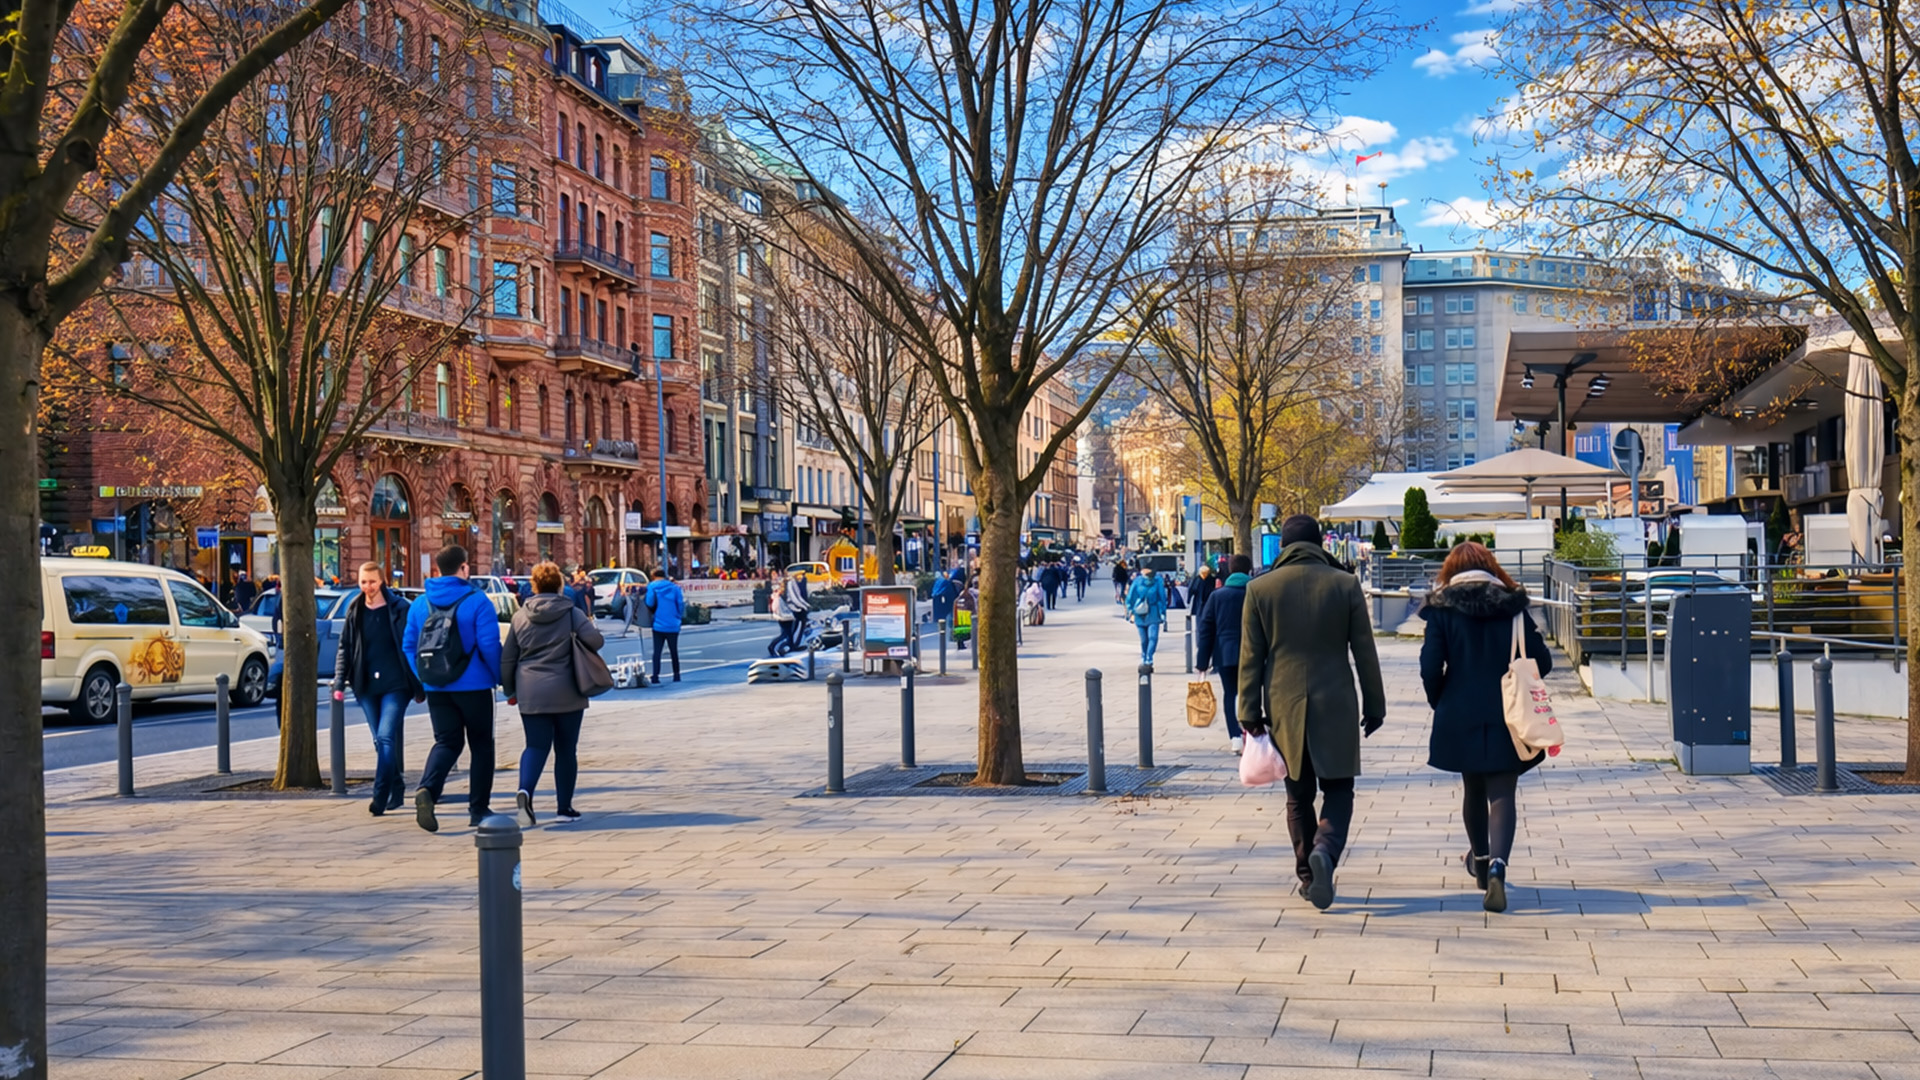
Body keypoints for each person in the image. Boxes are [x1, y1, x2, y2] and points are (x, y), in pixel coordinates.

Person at [1238, 514, 1386, 911]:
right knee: (1339, 788)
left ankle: (1307, 875)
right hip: (1336, 700)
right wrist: (1375, 705)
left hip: (1284, 704)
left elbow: (1250, 658)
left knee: (1298, 795)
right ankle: (1326, 849)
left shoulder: (1260, 589)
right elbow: (1364, 652)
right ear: (1320, 544)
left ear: (1283, 548)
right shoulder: (1345, 584)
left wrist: (1248, 711)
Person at [1419, 542, 1553, 914]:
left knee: (1472, 789)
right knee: (1502, 793)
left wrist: (1439, 699)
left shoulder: (1442, 610)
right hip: (1508, 714)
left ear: (1450, 570)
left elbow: (1430, 665)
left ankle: (1479, 861)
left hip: (1459, 710)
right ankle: (1498, 866)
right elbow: (1541, 660)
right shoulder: (1512, 609)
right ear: (1491, 567)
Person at [403, 544, 504, 833]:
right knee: (482, 745)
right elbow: (488, 646)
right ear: (463, 568)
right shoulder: (477, 601)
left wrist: (424, 677)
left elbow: (408, 645)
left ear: (437, 570)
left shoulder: (420, 604)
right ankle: (478, 808)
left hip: (436, 687)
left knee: (447, 742)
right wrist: (498, 678)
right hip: (474, 686)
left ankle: (428, 789)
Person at [502, 561, 603, 827]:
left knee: (535, 745)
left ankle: (525, 790)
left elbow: (508, 658)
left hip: (530, 690)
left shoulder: (520, 616)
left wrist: (509, 690)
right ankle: (564, 807)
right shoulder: (571, 612)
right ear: (559, 584)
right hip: (568, 689)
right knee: (566, 749)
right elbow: (595, 641)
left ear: (533, 585)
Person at [332, 561, 421, 816]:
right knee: (379, 740)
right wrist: (340, 681)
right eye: (363, 582)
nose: (367, 587)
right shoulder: (355, 609)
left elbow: (412, 645)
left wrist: (419, 683)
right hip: (366, 684)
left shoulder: (400, 608)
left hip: (397, 683)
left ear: (382, 581)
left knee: (385, 736)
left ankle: (380, 795)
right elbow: (344, 647)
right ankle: (397, 785)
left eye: (372, 582)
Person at [1193, 554, 1250, 754]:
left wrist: (1202, 661)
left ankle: (1235, 737)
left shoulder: (1217, 596)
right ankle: (1251, 733)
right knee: (1250, 693)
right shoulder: (1256, 593)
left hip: (1225, 653)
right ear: (1249, 570)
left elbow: (1206, 629)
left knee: (1230, 693)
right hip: (1253, 654)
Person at [644, 568, 685, 683]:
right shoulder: (675, 588)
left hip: (658, 623)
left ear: (654, 576)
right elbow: (681, 604)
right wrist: (678, 617)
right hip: (673, 624)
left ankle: (655, 676)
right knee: (674, 651)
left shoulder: (652, 587)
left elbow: (649, 602)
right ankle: (676, 675)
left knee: (657, 651)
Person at [1124, 562, 1168, 666]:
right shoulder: (1137, 582)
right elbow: (1130, 597)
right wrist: (1130, 611)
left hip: (1153, 612)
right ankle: (1144, 655)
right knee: (1144, 639)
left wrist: (1162, 612)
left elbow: (1162, 598)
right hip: (1140, 613)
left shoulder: (1158, 582)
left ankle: (1149, 656)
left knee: (1153, 637)